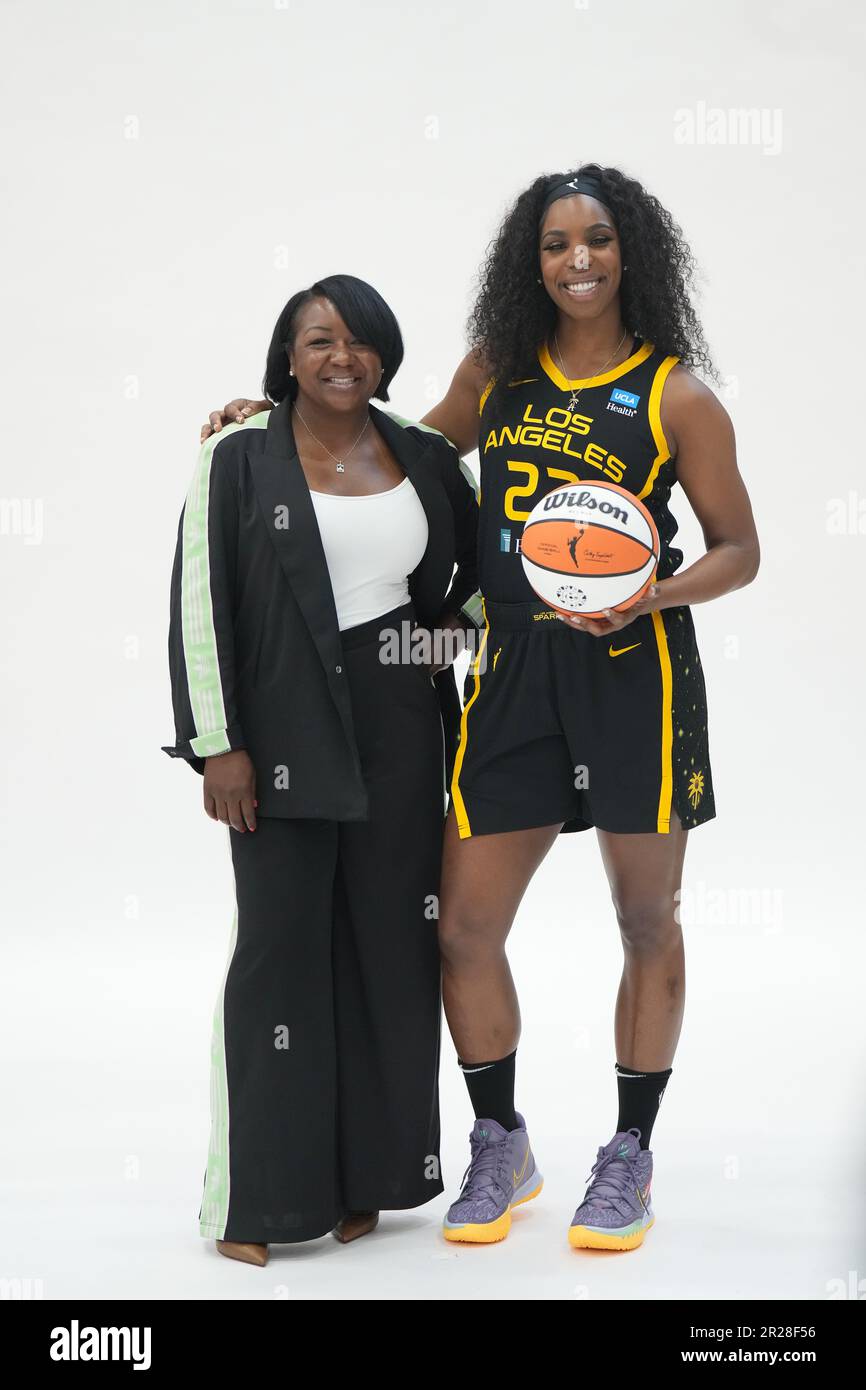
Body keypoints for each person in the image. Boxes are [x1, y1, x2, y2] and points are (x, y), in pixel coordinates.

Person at [201, 163, 760, 1252]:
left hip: (630, 671)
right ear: (531, 261)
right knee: (458, 927)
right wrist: (263, 421)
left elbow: (741, 550)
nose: (578, 259)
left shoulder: (674, 394)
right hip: (506, 671)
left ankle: (628, 1151)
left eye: (596, 239)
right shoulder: (497, 370)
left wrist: (656, 588)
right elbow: (393, 442)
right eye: (555, 244)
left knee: (645, 919)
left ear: (628, 251)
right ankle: (500, 1137)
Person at [165, 274, 479, 1265]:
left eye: (359, 341)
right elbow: (198, 603)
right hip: (277, 727)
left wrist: (419, 661)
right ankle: (255, 1199)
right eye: (317, 341)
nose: (340, 357)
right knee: (278, 958)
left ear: (384, 355)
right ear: (287, 356)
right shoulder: (236, 455)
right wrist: (218, 744)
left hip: (397, 731)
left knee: (389, 955)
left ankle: (368, 1183)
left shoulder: (426, 458)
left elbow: (472, 598)